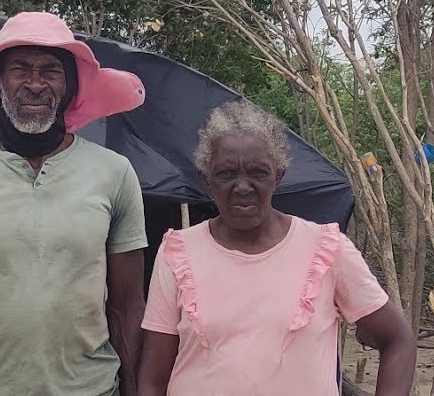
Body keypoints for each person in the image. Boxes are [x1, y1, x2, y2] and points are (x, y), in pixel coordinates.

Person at [0, 11, 150, 396]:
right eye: (20, 69)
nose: (35, 84)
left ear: (69, 86)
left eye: (51, 71)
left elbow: (127, 306)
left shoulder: (114, 173)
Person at [137, 100, 416, 396]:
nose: (242, 186)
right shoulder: (178, 253)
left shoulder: (326, 249)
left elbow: (398, 339)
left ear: (278, 176)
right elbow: (153, 379)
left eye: (258, 172)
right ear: (206, 181)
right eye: (226, 174)